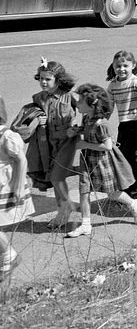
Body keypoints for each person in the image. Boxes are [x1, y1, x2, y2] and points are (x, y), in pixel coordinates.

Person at [63, 84, 137, 238]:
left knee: (112, 194)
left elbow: (107, 146)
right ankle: (86, 224)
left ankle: (134, 203)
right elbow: (87, 130)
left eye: (80, 102)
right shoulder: (87, 118)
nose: (77, 104)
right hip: (87, 160)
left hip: (101, 162)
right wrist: (77, 130)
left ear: (92, 105)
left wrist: (85, 144)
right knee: (84, 191)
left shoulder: (101, 124)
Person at [29, 59, 77, 229]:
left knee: (58, 178)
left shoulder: (69, 96)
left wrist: (84, 127)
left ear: (58, 80)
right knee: (56, 179)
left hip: (67, 142)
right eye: (41, 78)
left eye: (48, 79)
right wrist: (38, 120)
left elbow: (90, 107)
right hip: (48, 144)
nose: (43, 82)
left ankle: (66, 211)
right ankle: (63, 210)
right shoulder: (38, 98)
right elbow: (30, 117)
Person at [105, 50, 137, 199]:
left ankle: (136, 185)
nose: (121, 69)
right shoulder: (113, 85)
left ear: (133, 66)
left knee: (133, 155)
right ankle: (127, 184)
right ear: (113, 67)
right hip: (124, 125)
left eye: (125, 65)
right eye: (118, 66)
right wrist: (101, 121)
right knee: (123, 155)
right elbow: (109, 107)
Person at [0, 95, 34, 275]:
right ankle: (7, 255)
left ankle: (9, 256)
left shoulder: (7, 136)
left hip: (6, 184)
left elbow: (21, 160)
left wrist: (19, 186)